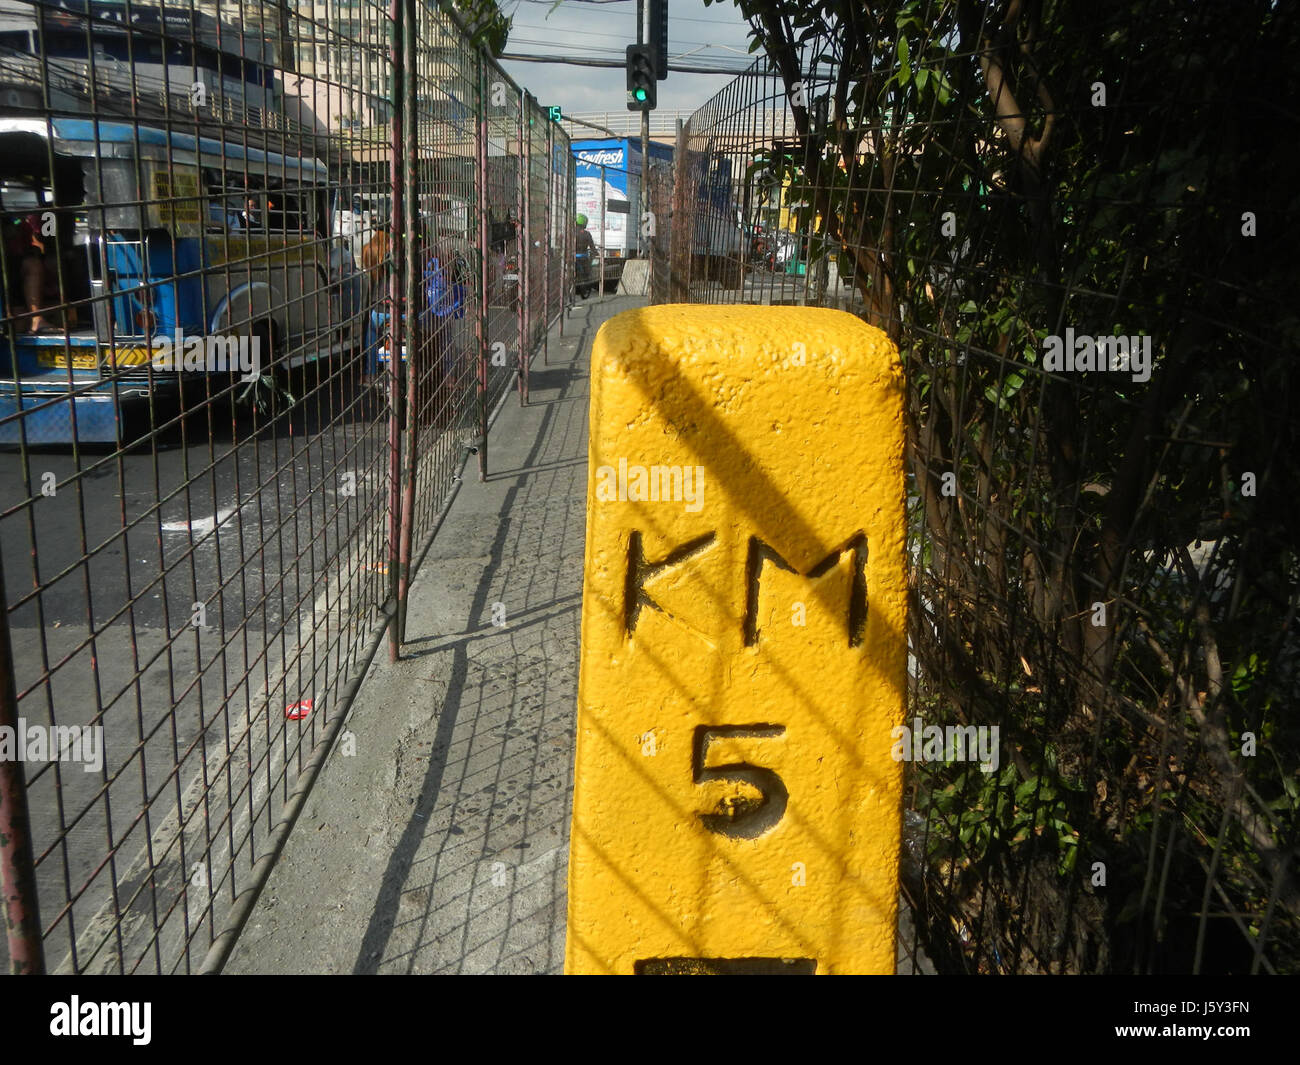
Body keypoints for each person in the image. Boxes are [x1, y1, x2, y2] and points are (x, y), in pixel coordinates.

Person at [574, 213, 596, 296]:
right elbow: (592, 246)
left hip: (572, 256)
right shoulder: (587, 234)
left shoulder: (571, 232)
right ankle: (585, 285)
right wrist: (596, 253)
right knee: (587, 273)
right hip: (583, 257)